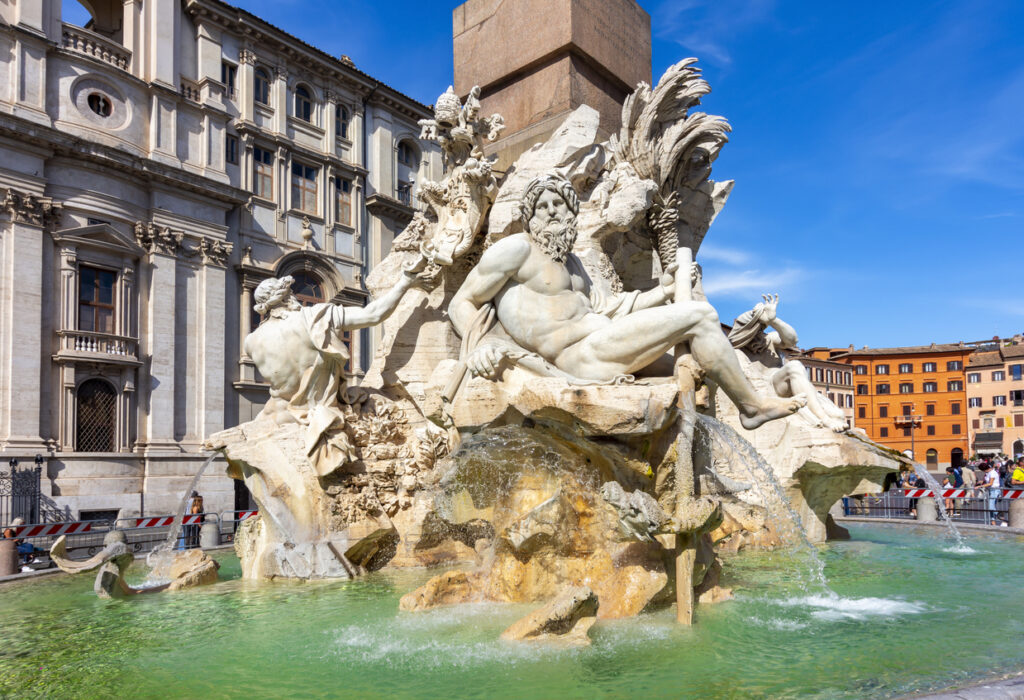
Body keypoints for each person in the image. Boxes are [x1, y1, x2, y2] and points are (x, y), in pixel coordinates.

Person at [449, 174, 805, 430]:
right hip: (577, 357)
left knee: (702, 373)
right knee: (700, 315)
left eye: (559, 203)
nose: (552, 211)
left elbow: (612, 309)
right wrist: (478, 345)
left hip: (604, 344)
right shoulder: (517, 250)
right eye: (542, 206)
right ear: (530, 216)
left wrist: (665, 291)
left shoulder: (573, 265)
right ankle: (752, 407)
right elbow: (462, 301)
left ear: (571, 211)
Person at [245, 258, 428, 477]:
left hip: (281, 417)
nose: (295, 297)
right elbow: (374, 314)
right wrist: (405, 281)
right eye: (291, 293)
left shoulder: (251, 342)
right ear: (287, 296)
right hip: (325, 411)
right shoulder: (314, 317)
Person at [978, 462, 1001, 526]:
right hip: (990, 490)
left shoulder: (993, 473)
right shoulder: (988, 473)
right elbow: (987, 481)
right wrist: (980, 482)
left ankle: (999, 515)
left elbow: (990, 483)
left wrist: (980, 486)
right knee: (992, 507)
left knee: (991, 507)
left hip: (995, 490)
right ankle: (993, 522)